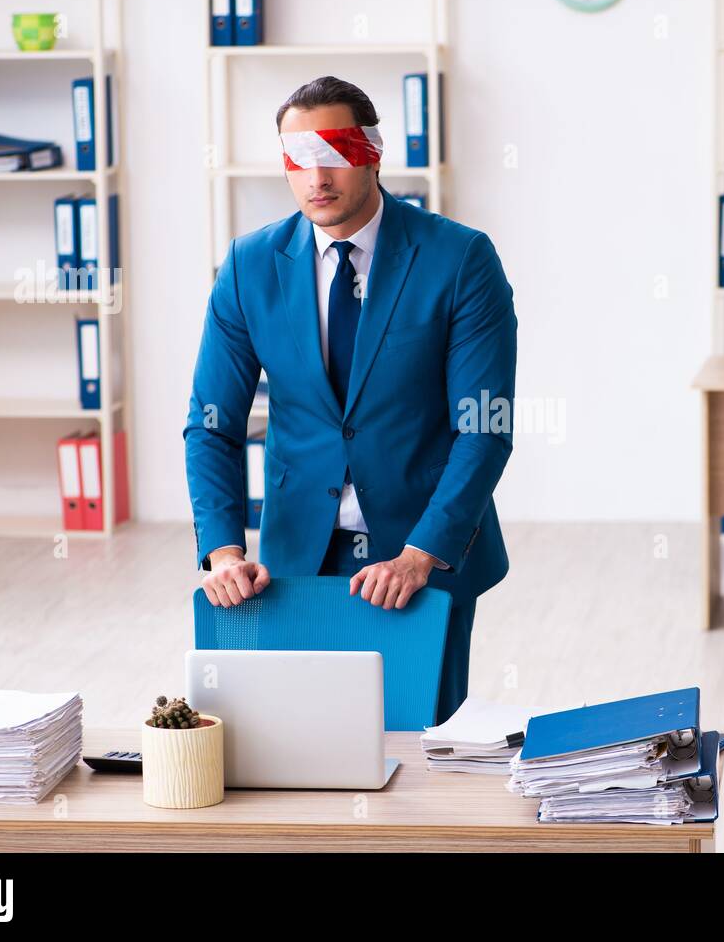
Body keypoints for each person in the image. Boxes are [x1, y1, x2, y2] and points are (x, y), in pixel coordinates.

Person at [183, 75, 517, 721]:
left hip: (422, 558)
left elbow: (484, 428)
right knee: (301, 747)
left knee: (419, 754)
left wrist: (421, 555)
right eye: (298, 159)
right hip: (296, 560)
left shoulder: (461, 260)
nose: (317, 178)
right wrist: (223, 550)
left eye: (334, 152)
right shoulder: (250, 266)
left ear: (372, 151)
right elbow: (211, 425)